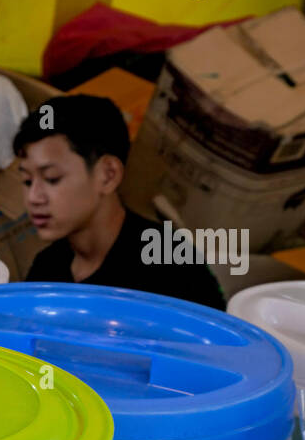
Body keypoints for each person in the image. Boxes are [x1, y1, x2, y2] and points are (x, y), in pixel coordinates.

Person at [14, 94, 227, 310]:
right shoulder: (47, 268)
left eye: (52, 178)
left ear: (108, 175)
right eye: (27, 180)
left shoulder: (170, 264)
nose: (33, 197)